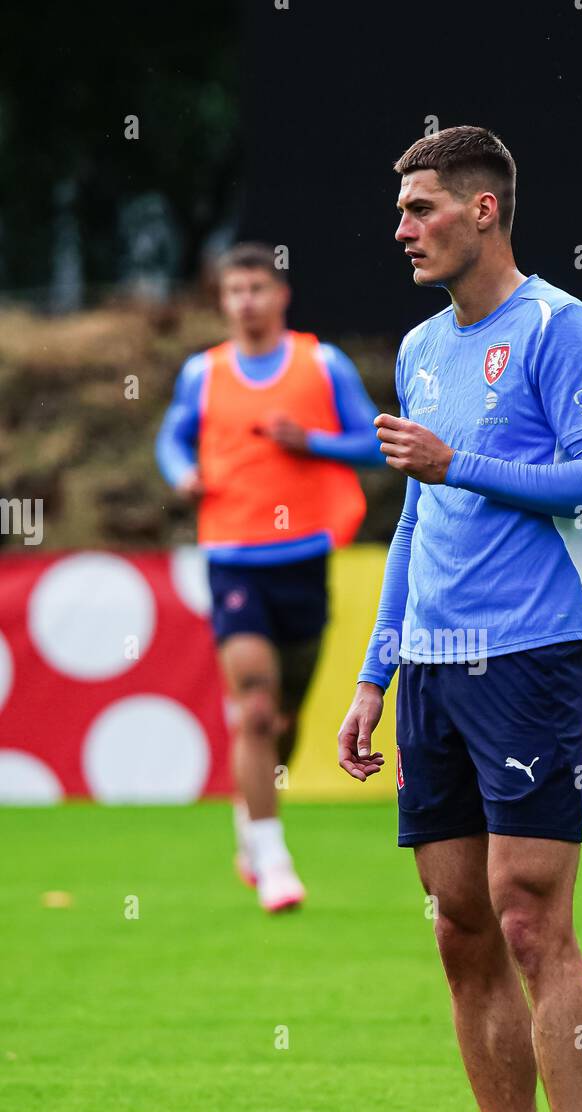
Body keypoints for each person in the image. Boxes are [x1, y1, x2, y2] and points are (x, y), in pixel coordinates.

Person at [338, 127, 582, 1112]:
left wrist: (457, 463)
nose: (402, 229)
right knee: (459, 924)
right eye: (402, 210)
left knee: (527, 914)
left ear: (482, 210)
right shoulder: (421, 347)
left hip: (530, 654)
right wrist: (376, 668)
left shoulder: (561, 331)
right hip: (432, 666)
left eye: (420, 208)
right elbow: (418, 518)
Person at [157, 243, 382, 912]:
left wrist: (309, 442)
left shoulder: (321, 363)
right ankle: (276, 859)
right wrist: (182, 474)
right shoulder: (203, 372)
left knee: (284, 717)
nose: (246, 301)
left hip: (305, 557)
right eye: (234, 291)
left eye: (257, 287)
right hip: (233, 557)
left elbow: (373, 441)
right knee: (253, 706)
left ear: (281, 294)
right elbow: (172, 438)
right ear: (222, 301)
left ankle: (250, 816)